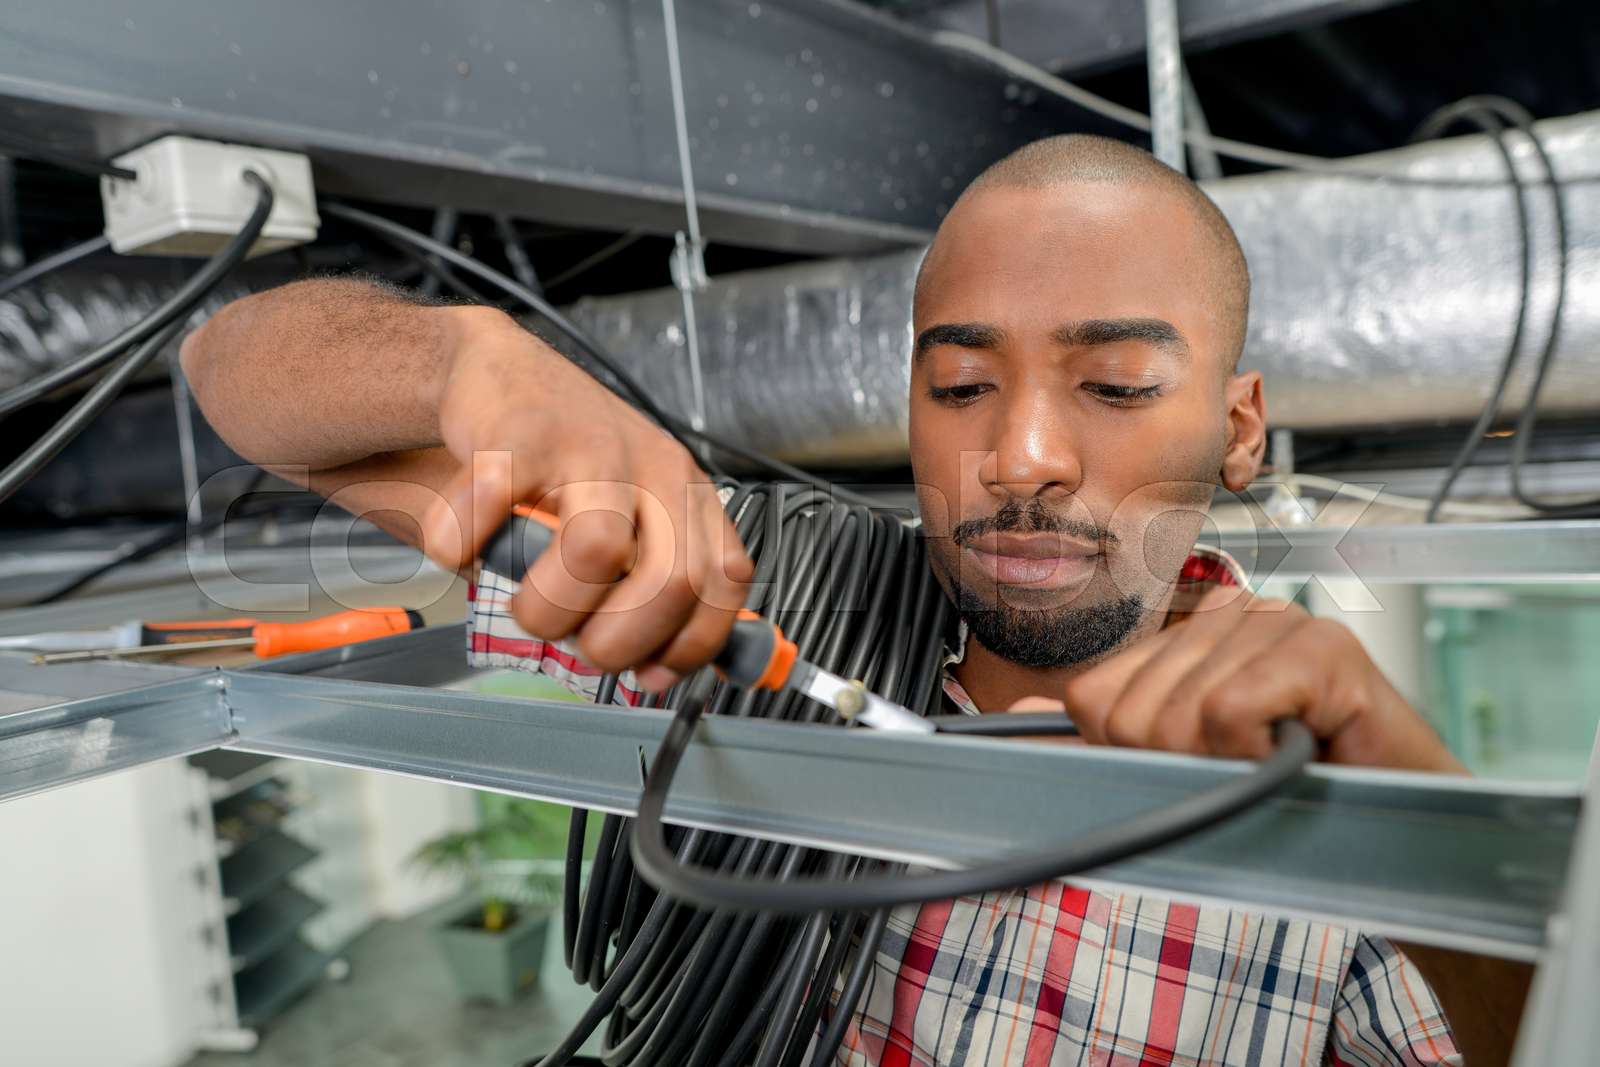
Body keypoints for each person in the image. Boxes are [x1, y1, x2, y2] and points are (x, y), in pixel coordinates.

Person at [181, 134, 1530, 1065]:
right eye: (959, 387)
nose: (1021, 456)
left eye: (1115, 384)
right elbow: (235, 373)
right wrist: (457, 359)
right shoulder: (742, 601)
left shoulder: (1330, 797)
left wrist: (1425, 821)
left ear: (1240, 431)